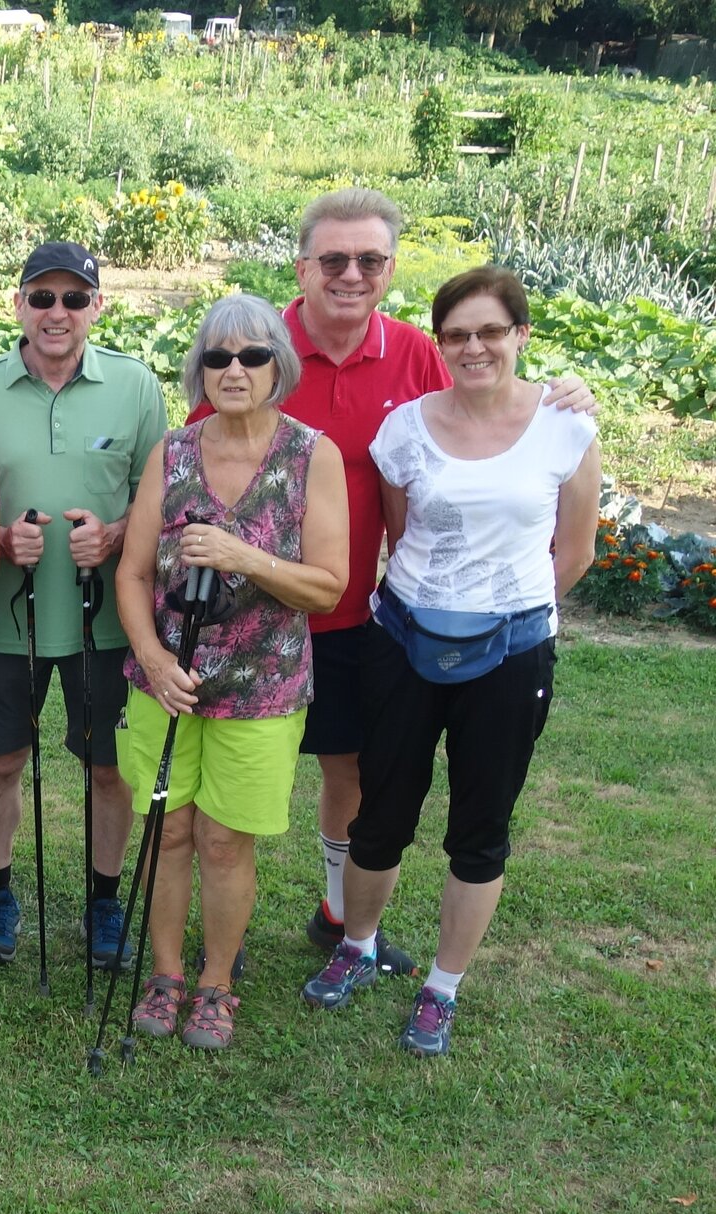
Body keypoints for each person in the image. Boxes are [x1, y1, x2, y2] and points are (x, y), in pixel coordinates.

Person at [217, 189, 591, 973]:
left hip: (361, 617)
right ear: (303, 266)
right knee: (246, 767)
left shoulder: (420, 353)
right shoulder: (254, 345)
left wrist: (565, 397)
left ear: (389, 268)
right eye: (333, 259)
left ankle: (336, 912)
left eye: (371, 260)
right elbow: (209, 454)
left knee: (349, 768)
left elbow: (431, 484)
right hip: (255, 609)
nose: (351, 274)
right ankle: (230, 923)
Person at [303, 266, 600, 1057]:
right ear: (442, 344)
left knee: (480, 828)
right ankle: (357, 947)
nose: (474, 348)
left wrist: (505, 608)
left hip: (511, 652)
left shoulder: (565, 429)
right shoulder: (406, 429)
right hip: (403, 643)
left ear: (520, 336)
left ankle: (442, 987)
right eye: (458, 334)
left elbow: (572, 553)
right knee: (381, 813)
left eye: (491, 332)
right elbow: (402, 535)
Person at [114, 294, 348, 1051]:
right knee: (169, 830)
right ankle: (167, 974)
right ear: (200, 371)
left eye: (252, 355)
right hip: (167, 682)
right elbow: (132, 572)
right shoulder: (173, 454)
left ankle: (217, 983)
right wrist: (150, 656)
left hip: (262, 686)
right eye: (218, 357)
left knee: (223, 840)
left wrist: (241, 553)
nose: (235, 370)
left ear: (278, 364)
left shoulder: (312, 455)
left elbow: (329, 584)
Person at [0, 243, 166, 970]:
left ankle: (105, 904)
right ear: (18, 305)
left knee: (109, 766)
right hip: (11, 619)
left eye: (74, 299)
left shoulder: (135, 387)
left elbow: (156, 496)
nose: (57, 313)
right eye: (41, 298)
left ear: (97, 307)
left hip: (107, 618)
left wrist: (115, 535)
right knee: (2, 759)